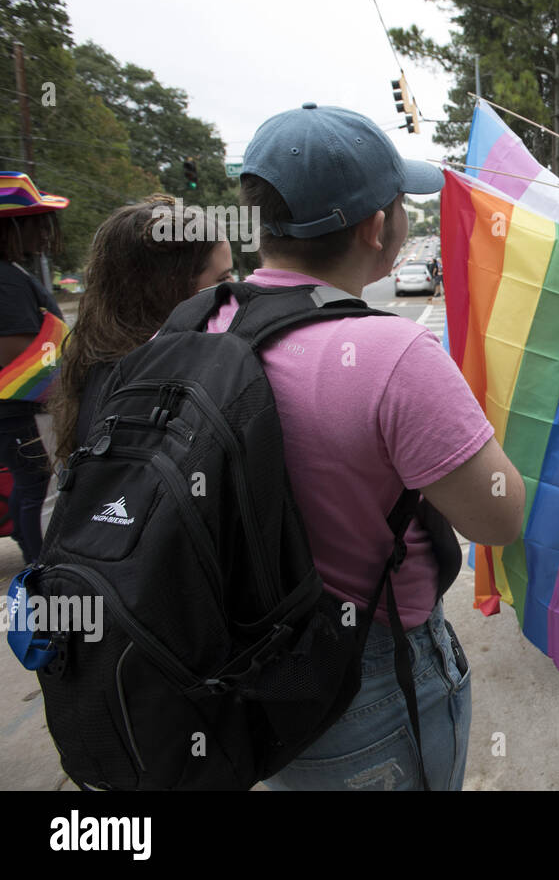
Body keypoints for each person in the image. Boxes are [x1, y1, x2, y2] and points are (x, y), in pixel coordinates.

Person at [226, 102, 523, 790]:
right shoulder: (394, 353)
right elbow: (498, 517)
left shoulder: (204, 324)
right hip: (370, 678)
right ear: (374, 228)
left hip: (255, 668)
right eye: (400, 204)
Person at [48, 194, 233, 461]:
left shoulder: (106, 364)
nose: (233, 290)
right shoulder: (155, 387)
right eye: (223, 278)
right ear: (171, 287)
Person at [0, 172, 68, 564]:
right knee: (40, 493)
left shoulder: (12, 273)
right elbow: (15, 351)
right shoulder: (6, 281)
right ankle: (43, 570)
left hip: (21, 411)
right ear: (11, 226)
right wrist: (64, 390)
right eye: (37, 224)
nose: (45, 234)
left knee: (30, 489)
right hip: (25, 410)